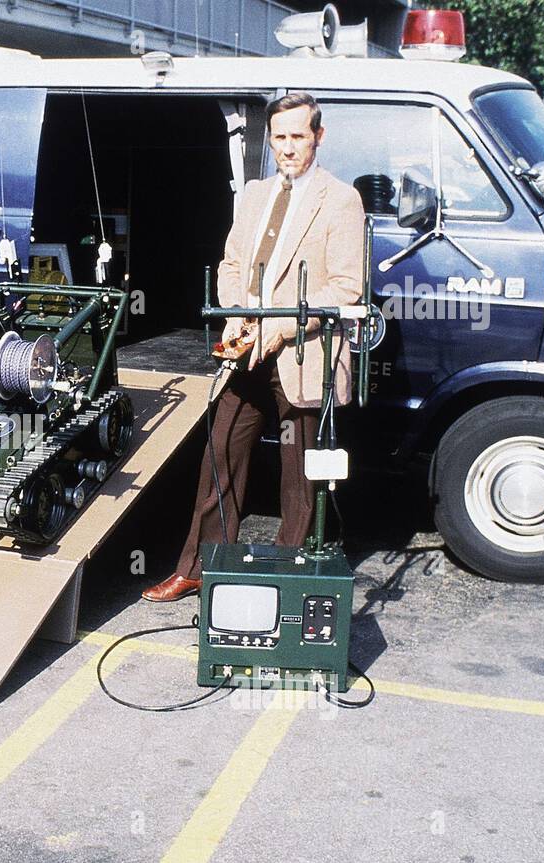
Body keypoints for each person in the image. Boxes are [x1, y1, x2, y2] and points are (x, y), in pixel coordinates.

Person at [142, 91, 365, 603]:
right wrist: (240, 319)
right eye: (280, 137)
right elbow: (231, 266)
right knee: (220, 451)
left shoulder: (341, 199)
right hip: (247, 347)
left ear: (319, 137)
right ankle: (198, 567)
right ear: (270, 139)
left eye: (299, 137)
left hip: (304, 354)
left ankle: (288, 579)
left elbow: (345, 287)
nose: (289, 148)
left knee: (298, 475)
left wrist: (280, 328)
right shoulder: (254, 195)